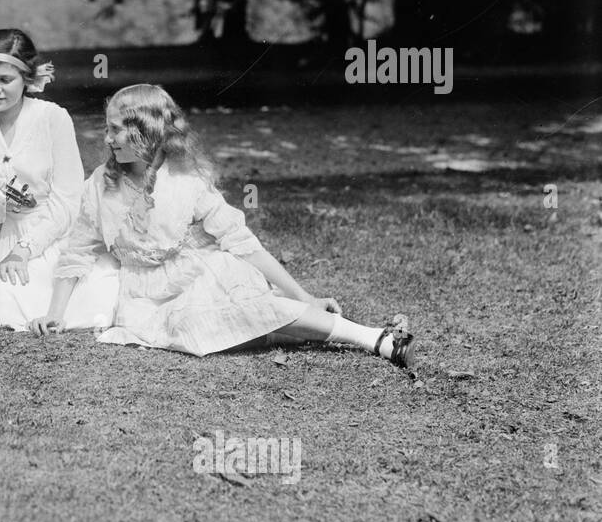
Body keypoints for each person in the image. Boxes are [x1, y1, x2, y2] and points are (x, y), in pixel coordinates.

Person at [29, 83, 416, 366]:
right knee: (200, 333)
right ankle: (310, 326)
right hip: (143, 296)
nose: (107, 137)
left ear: (145, 132)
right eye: (108, 127)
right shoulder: (100, 183)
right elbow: (79, 249)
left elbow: (241, 241)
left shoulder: (187, 180)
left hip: (202, 277)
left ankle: (372, 338)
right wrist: (55, 312)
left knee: (243, 314)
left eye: (115, 128)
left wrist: (303, 294)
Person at [0, 28, 117, 330]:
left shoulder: (53, 118)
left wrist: (23, 250)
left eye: (5, 80)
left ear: (27, 78)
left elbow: (67, 200)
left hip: (62, 228)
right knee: (6, 301)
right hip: (12, 233)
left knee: (97, 294)